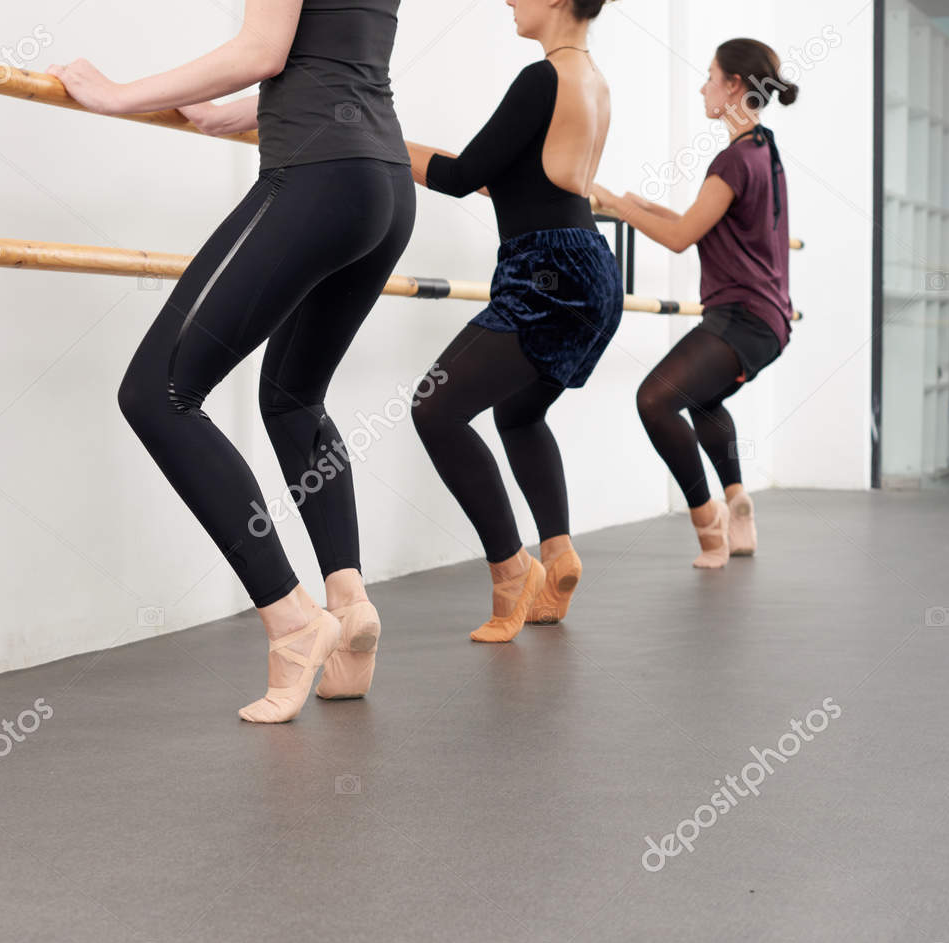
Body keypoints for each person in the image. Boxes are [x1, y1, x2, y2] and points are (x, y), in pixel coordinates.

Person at [48, 0, 414, 723]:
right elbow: (335, 51)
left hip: (318, 174)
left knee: (157, 395)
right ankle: (349, 601)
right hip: (385, 182)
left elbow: (264, 50)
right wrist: (234, 115)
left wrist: (119, 93)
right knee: (292, 396)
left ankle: (293, 621)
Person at [407, 0, 622, 641]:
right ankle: (558, 558)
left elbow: (458, 177)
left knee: (434, 408)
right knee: (519, 413)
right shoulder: (591, 80)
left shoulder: (542, 79)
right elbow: (500, 176)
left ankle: (512, 572)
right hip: (591, 270)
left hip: (546, 274)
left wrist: (367, 133)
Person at [593, 37, 797, 568]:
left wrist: (621, 206)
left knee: (655, 400)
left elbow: (683, 235)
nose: (703, 85)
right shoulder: (763, 150)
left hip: (743, 317)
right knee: (704, 400)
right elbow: (702, 221)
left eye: (710, 75)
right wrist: (629, 203)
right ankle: (738, 503)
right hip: (768, 320)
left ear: (733, 85)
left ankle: (709, 524)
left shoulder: (733, 160)